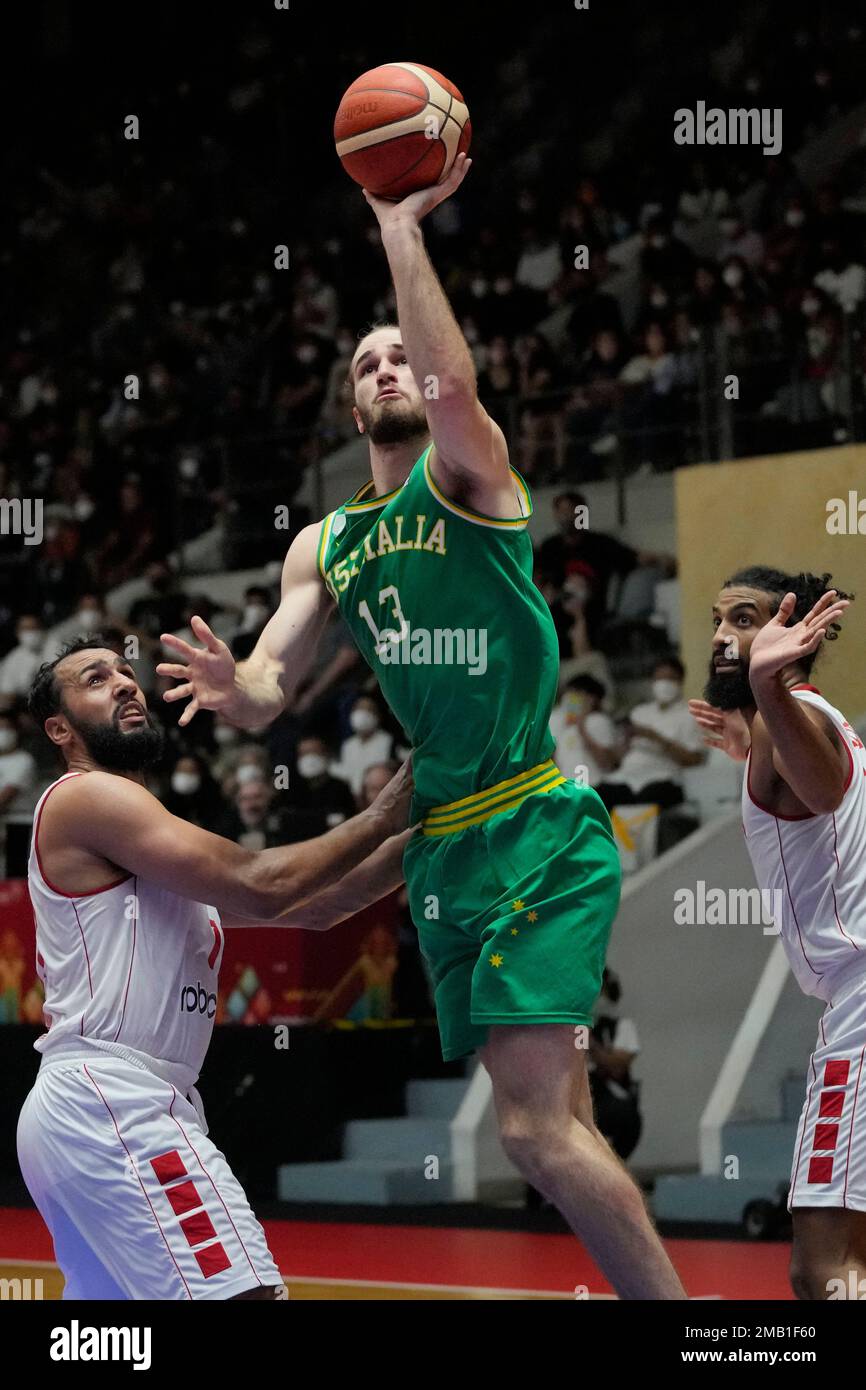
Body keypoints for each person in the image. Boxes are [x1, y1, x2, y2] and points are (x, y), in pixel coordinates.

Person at [158, 153, 685, 1300]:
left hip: (532, 822)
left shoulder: (468, 477)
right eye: (367, 364)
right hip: (443, 834)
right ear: (352, 408)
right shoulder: (325, 544)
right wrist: (228, 685)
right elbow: (265, 686)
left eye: (400, 353)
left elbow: (450, 384)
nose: (391, 366)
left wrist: (400, 228)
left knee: (533, 1135)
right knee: (555, 1123)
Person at [18, 638, 413, 1301]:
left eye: (125, 672)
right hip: (111, 1099)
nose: (124, 684)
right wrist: (383, 812)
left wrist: (436, 831)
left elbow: (316, 907)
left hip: (98, 1108)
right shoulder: (85, 798)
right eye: (95, 678)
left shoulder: (149, 842)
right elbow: (263, 882)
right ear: (59, 729)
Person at [689, 566, 865, 1302]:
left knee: (822, 1268)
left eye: (746, 618)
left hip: (861, 1008)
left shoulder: (786, 713)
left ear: (791, 637)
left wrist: (763, 696)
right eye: (719, 619)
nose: (723, 635)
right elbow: (810, 784)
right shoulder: (814, 722)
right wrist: (754, 730)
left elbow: (821, 791)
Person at [596, 657, 705, 810]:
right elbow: (618, 757)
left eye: (669, 679)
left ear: (680, 681)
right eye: (659, 679)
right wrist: (625, 741)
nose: (663, 684)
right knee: (596, 795)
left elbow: (694, 759)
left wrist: (655, 737)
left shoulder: (688, 716)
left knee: (647, 798)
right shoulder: (639, 712)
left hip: (663, 777)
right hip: (627, 776)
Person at [549, 676, 618, 787]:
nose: (569, 697)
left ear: (592, 698)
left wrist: (581, 727)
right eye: (568, 692)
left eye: (576, 692)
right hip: (567, 788)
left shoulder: (598, 720)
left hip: (594, 786)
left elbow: (607, 762)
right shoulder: (560, 724)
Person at [332, 694, 394, 799]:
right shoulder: (348, 745)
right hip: (357, 800)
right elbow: (347, 773)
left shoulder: (388, 740)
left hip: (382, 796)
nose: (362, 714)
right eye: (359, 709)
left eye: (369, 710)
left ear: (378, 716)